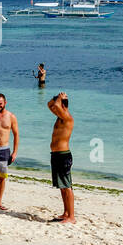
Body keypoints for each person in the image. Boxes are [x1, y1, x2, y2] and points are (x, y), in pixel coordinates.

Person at [48, 90, 75, 223]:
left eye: (58, 104)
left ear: (63, 105)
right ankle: (66, 213)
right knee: (62, 187)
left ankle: (71, 217)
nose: (54, 108)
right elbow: (49, 105)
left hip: (63, 155)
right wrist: (57, 98)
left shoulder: (67, 117)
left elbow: (57, 106)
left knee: (67, 186)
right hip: (56, 155)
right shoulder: (59, 116)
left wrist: (60, 99)